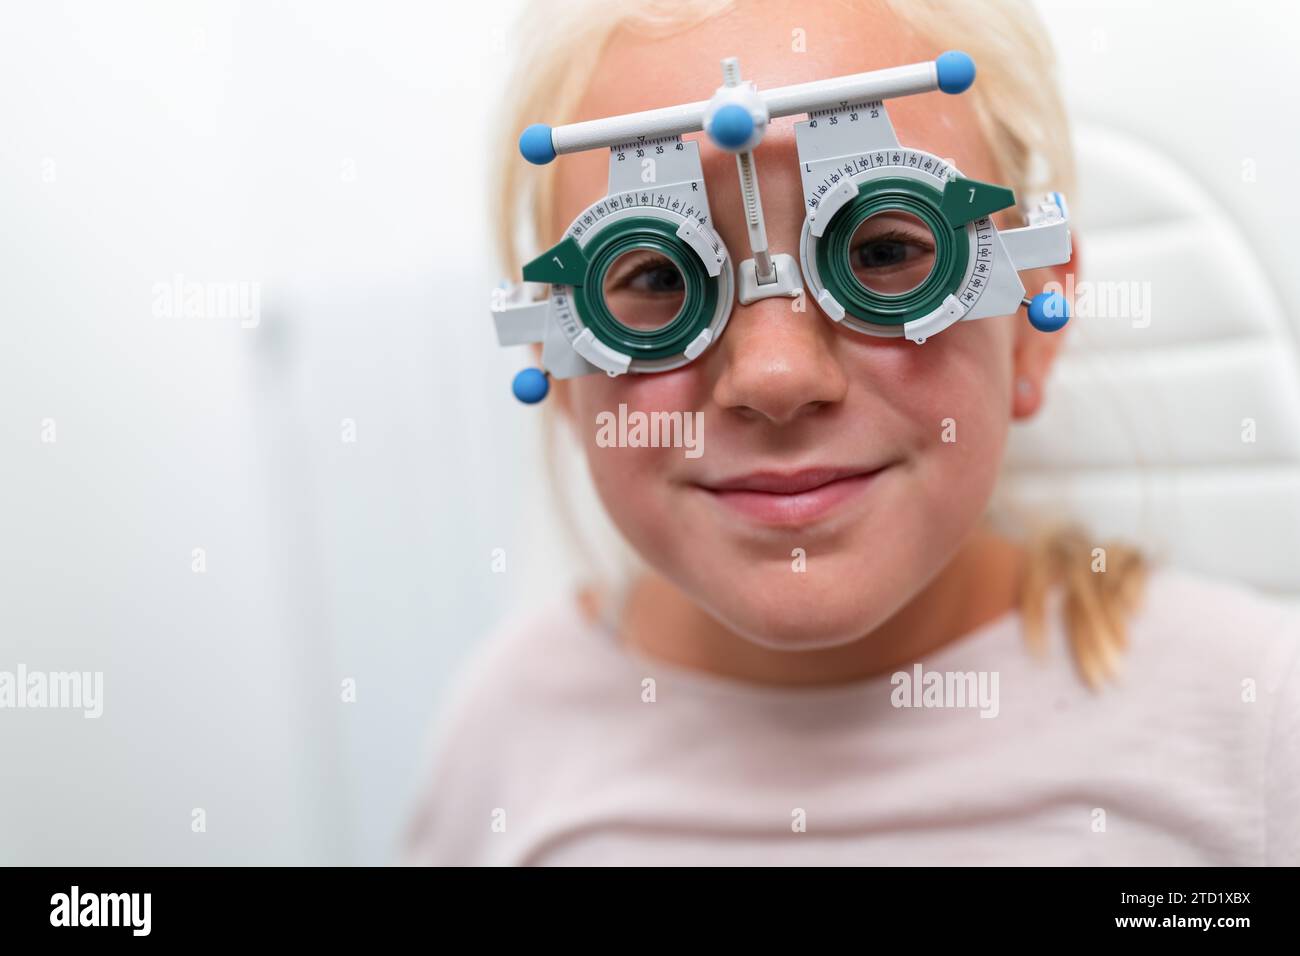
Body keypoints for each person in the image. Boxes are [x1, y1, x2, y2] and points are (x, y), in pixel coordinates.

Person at [404, 0, 1300, 865]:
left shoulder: (1258, 731)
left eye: (881, 252)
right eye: (656, 279)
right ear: (563, 366)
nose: (775, 377)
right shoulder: (508, 740)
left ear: (1033, 317)